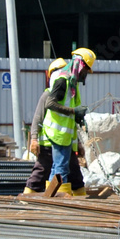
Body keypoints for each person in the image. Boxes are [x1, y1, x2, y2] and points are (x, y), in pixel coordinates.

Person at [23, 58, 87, 196]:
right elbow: (37, 118)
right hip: (48, 143)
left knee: (74, 173)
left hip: (65, 141)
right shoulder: (48, 94)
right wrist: (34, 139)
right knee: (41, 171)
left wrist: (79, 144)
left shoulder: (69, 94)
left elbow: (70, 123)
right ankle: (28, 198)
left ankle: (79, 199)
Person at [40, 47, 95, 196]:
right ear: (80, 65)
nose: (85, 75)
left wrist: (77, 116)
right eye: (86, 71)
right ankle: (57, 201)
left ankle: (50, 197)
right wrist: (73, 112)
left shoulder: (72, 83)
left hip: (64, 134)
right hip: (58, 132)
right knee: (61, 168)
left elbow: (70, 105)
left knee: (58, 167)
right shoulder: (62, 81)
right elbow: (50, 103)